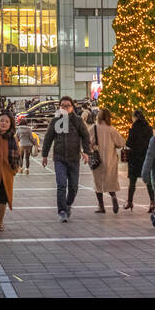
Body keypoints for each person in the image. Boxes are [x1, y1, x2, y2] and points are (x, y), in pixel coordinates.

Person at [39, 95, 92, 223]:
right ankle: (62, 210)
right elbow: (48, 138)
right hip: (59, 158)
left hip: (74, 158)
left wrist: (86, 152)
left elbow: (85, 137)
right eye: (62, 106)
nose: (64, 108)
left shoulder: (78, 121)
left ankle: (68, 204)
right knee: (61, 185)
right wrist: (44, 155)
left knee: (74, 187)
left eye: (67, 106)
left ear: (72, 108)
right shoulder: (56, 120)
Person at [90, 108, 126, 213]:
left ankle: (101, 206)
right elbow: (120, 143)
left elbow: (88, 141)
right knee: (110, 181)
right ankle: (114, 197)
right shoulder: (112, 129)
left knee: (98, 183)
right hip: (111, 160)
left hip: (98, 160)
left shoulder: (94, 128)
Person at [124, 110, 155, 212]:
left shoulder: (133, 128)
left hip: (134, 158)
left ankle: (130, 201)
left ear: (135, 117)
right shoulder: (149, 128)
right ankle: (152, 202)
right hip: (146, 157)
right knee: (148, 181)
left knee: (132, 182)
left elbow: (129, 143)